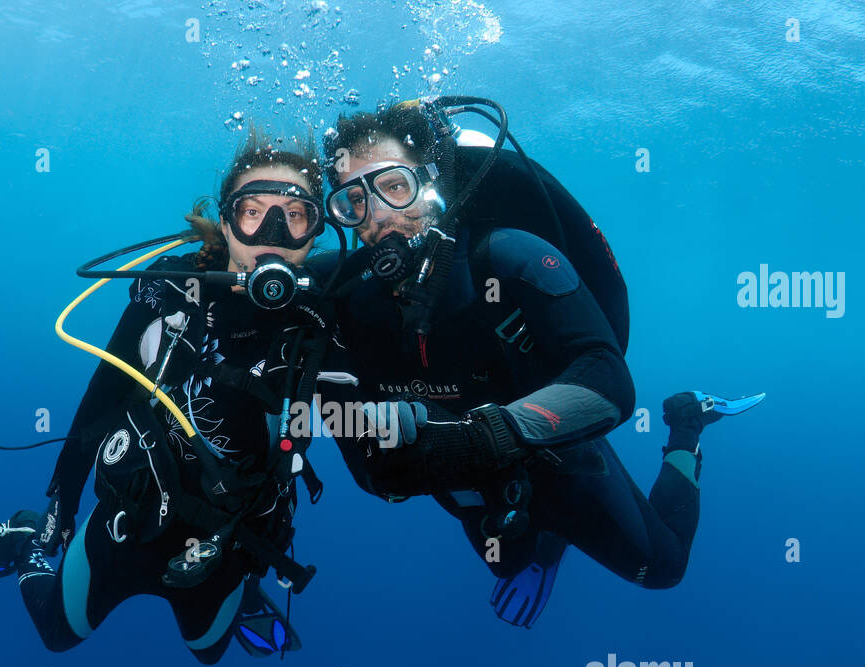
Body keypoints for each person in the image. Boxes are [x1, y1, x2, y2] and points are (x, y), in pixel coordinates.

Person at [317, 99, 764, 628]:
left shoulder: (506, 256)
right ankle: (541, 545)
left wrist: (490, 436)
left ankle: (688, 424)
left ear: (431, 182)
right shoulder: (348, 299)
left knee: (663, 567)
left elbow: (608, 378)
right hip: (462, 475)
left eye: (394, 186)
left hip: (557, 451)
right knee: (507, 562)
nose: (379, 217)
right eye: (353, 202)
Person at [0, 131, 336, 663]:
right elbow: (101, 396)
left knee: (209, 653)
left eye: (294, 214)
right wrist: (62, 501)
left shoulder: (323, 312)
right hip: (134, 518)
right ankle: (28, 536)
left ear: (316, 230)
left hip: (233, 537)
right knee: (58, 633)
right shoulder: (172, 292)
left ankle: (239, 593)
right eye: (252, 211)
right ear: (226, 222)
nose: (272, 231)